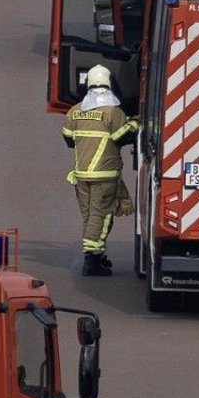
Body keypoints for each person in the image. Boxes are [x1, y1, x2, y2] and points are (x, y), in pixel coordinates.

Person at [63, 64, 137, 275]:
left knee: (89, 216)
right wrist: (135, 123)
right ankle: (92, 261)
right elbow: (123, 137)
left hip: (81, 176)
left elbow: (68, 140)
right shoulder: (113, 112)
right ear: (109, 85)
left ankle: (98, 255)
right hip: (104, 177)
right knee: (100, 216)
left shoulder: (74, 111)